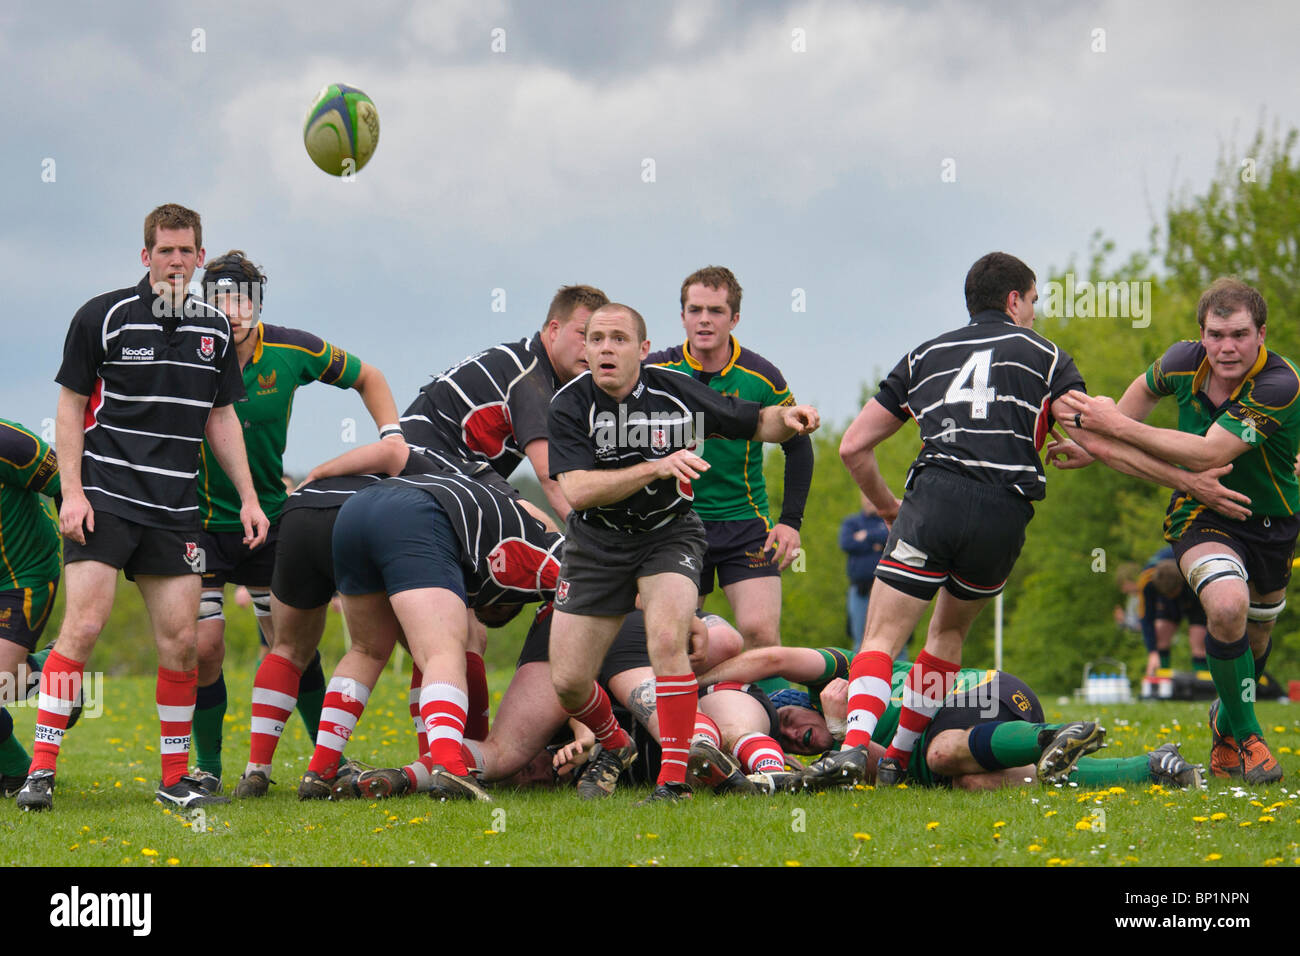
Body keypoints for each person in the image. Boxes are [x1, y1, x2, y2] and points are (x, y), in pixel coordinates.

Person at [805, 252, 1251, 789]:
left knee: (879, 638)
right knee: (947, 633)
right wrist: (1187, 480)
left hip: (936, 497)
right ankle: (897, 758)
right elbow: (1099, 442)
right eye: (1034, 301)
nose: (1035, 313)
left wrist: (885, 507)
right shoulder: (1047, 356)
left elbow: (853, 446)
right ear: (1014, 300)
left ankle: (855, 748)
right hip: (1005, 510)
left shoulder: (924, 354)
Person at [17, 204, 269, 812]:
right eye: (165, 250)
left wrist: (250, 498)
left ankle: (175, 777)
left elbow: (221, 417)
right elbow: (71, 406)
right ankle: (41, 773)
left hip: (177, 509)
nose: (176, 261)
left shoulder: (214, 330)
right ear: (145, 255)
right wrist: (72, 493)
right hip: (105, 497)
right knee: (82, 628)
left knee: (182, 642)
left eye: (186, 251)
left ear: (200, 257)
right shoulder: (101, 316)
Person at [546, 303, 820, 802]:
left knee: (668, 642)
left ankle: (673, 782)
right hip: (597, 542)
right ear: (584, 350)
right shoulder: (569, 405)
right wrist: (655, 467)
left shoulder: (675, 391)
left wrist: (790, 418)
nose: (606, 348)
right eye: (597, 339)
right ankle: (616, 741)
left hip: (668, 534)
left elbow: (757, 423)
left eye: (619, 339)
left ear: (643, 350)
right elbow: (579, 491)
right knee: (567, 682)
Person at [1059, 277, 1299, 784]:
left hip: (1274, 525)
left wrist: (1112, 427)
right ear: (1200, 334)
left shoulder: (1280, 383)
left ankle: (1226, 717)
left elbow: (1211, 452)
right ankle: (1249, 740)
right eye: (1215, 335)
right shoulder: (1179, 361)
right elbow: (1141, 395)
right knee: (1226, 605)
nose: (1226, 347)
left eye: (1238, 334)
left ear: (1261, 334)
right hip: (1201, 513)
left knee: (1254, 643)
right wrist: (1096, 438)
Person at [187, 250, 403, 794]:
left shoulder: (291, 349)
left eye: (243, 299)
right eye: (219, 299)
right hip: (196, 524)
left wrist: (391, 436)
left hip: (268, 520)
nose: (232, 310)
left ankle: (327, 762)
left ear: (259, 304)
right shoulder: (184, 349)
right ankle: (208, 768)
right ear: (200, 302)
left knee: (291, 644)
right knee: (205, 648)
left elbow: (368, 376)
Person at [299, 464, 564, 802]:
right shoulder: (540, 553)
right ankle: (451, 768)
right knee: (442, 651)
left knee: (367, 650)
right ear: (504, 602)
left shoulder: (491, 520)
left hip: (356, 509)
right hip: (418, 514)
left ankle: (320, 770)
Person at [704, 646, 1204, 791]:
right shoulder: (841, 750)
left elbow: (771, 660)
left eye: (789, 717)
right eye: (787, 741)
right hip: (967, 740)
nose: (792, 734)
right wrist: (837, 735)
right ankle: (1152, 766)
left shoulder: (848, 673)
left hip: (985, 693)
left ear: (805, 697)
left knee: (943, 752)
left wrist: (696, 681)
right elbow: (879, 768)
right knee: (976, 784)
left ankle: (1050, 735)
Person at [646, 266, 813, 650]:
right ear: (683, 316)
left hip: (744, 522)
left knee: (760, 633)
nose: (705, 319)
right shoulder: (654, 371)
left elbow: (798, 445)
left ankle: (770, 708)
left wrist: (790, 522)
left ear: (734, 318)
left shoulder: (762, 375)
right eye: (695, 309)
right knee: (679, 638)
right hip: (676, 522)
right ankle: (694, 708)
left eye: (716, 311)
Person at [400, 284, 609, 518]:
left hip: (427, 464)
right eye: (583, 334)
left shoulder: (527, 365)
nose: (592, 348)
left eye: (598, 339)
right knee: (534, 525)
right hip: (426, 461)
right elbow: (554, 482)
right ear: (554, 330)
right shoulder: (529, 374)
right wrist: (597, 548)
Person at [0, 419, 60, 796]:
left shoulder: (12, 443)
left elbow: (67, 487)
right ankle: (14, 770)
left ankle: (53, 673)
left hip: (23, 574)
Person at [1136, 548, 1208, 676]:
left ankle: (1205, 687)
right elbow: (1146, 618)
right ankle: (1161, 682)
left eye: (1172, 594)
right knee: (1161, 631)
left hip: (1193, 591)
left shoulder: (1196, 570)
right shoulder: (1147, 581)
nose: (1171, 596)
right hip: (1166, 595)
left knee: (1198, 640)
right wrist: (1152, 652)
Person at [839, 492, 890, 652]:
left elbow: (894, 538)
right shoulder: (852, 522)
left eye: (872, 497)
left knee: (893, 638)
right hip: (860, 590)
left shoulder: (889, 521)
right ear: (861, 499)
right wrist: (877, 546)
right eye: (866, 497)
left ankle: (896, 676)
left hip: (888, 591)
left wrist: (867, 535)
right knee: (860, 639)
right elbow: (847, 543)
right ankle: (858, 676)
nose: (869, 501)